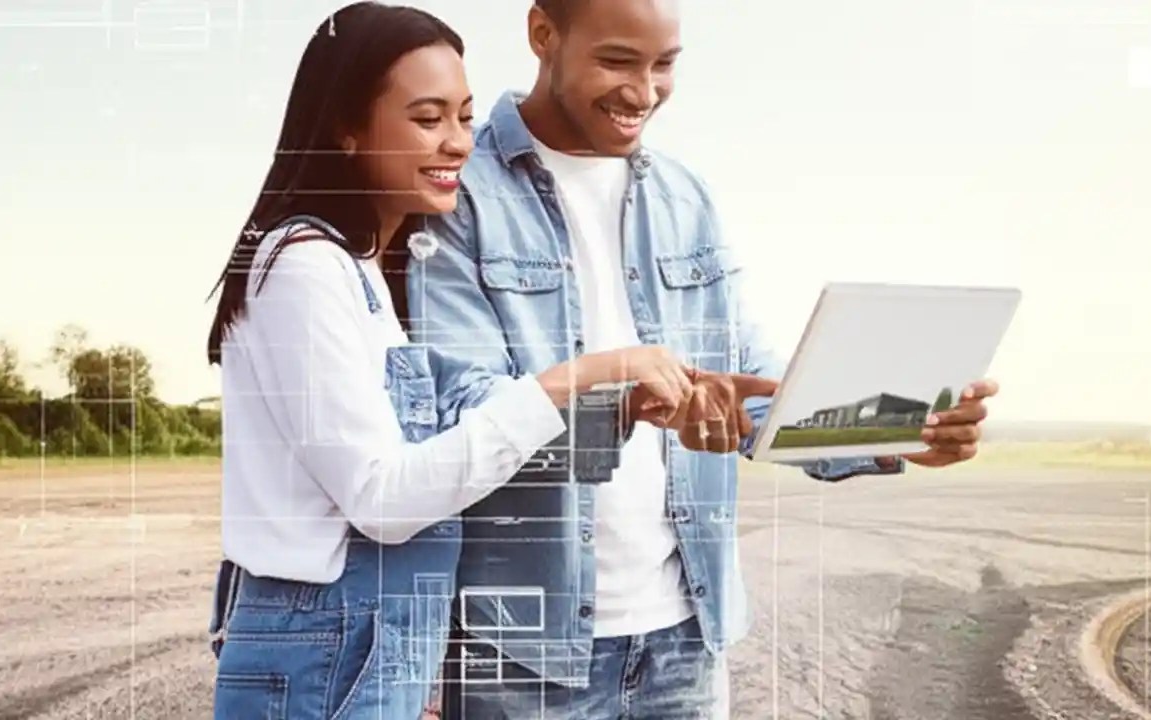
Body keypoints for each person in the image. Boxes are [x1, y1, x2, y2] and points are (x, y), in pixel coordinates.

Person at [406, 1, 998, 717]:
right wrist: (621, 404)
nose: (644, 92)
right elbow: (460, 417)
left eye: (664, 65)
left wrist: (897, 431)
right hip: (523, 651)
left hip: (684, 639)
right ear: (543, 33)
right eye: (617, 61)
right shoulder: (453, 194)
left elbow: (749, 386)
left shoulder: (688, 199)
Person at [201, 3, 708, 718]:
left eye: (466, 118)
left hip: (366, 646)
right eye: (427, 118)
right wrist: (580, 375)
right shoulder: (304, 268)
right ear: (347, 129)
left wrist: (423, 659)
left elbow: (436, 462)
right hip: (322, 647)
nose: (458, 145)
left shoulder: (366, 268)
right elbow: (383, 500)